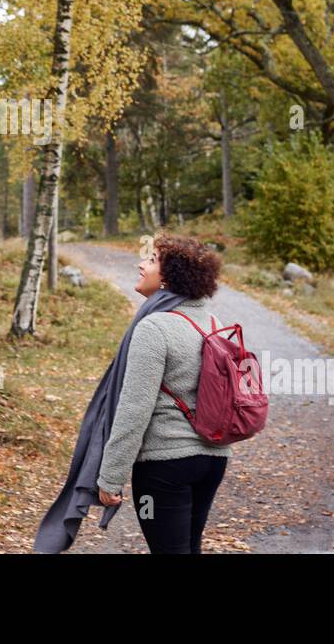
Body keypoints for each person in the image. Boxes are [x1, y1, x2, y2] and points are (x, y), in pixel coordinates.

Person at [96, 234, 233, 553]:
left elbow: (134, 410)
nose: (141, 264)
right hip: (212, 461)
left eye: (152, 259)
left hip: (164, 467)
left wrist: (111, 477)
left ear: (170, 277)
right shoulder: (215, 323)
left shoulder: (154, 328)